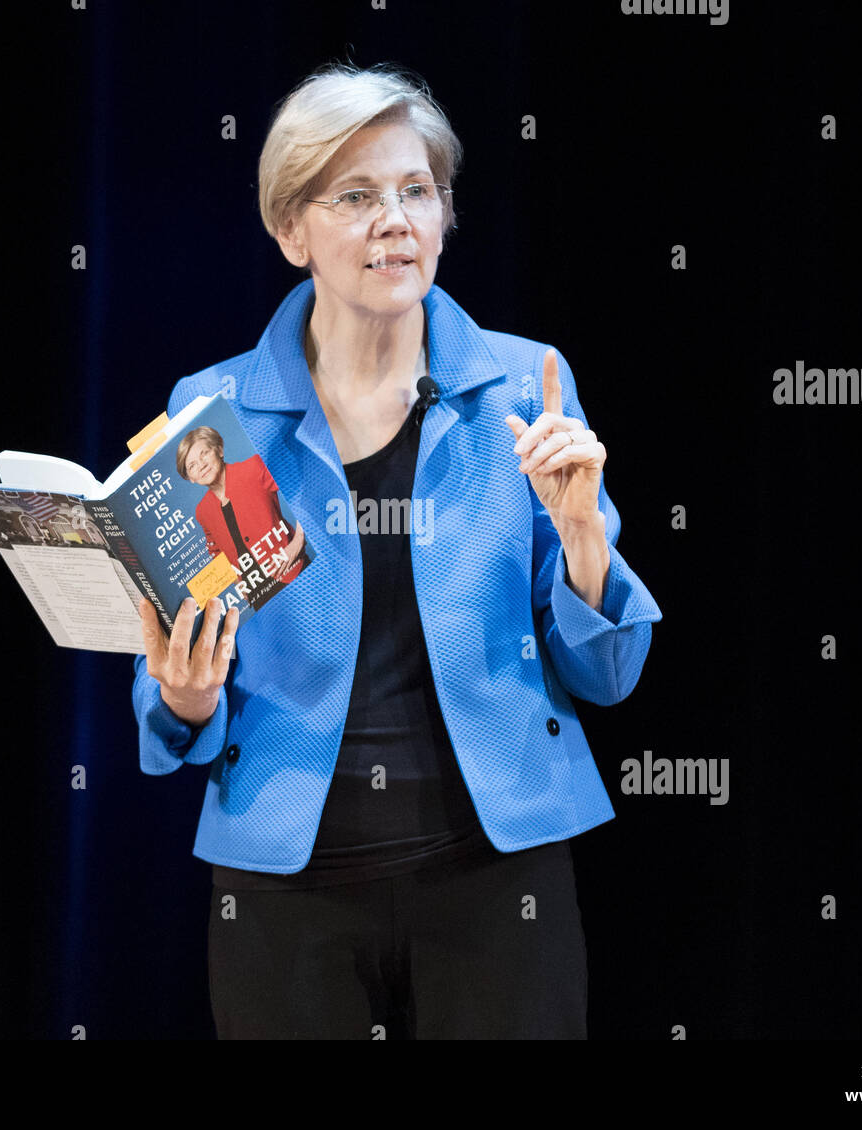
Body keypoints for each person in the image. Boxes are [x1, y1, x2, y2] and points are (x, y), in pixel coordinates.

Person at [132, 62, 663, 1039]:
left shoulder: (524, 385)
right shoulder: (212, 414)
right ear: (291, 229)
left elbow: (605, 674)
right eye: (356, 195)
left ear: (446, 213)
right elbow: (168, 701)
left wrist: (583, 528)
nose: (395, 219)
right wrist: (185, 694)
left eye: (417, 190)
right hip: (288, 883)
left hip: (498, 874)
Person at [175, 425, 309, 611]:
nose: (201, 465)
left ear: (219, 450)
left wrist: (297, 543)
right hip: (258, 595)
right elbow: (216, 552)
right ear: (190, 478)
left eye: (204, 453)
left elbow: (304, 489)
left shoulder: (254, 467)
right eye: (192, 465)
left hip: (293, 574)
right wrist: (237, 581)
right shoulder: (202, 511)